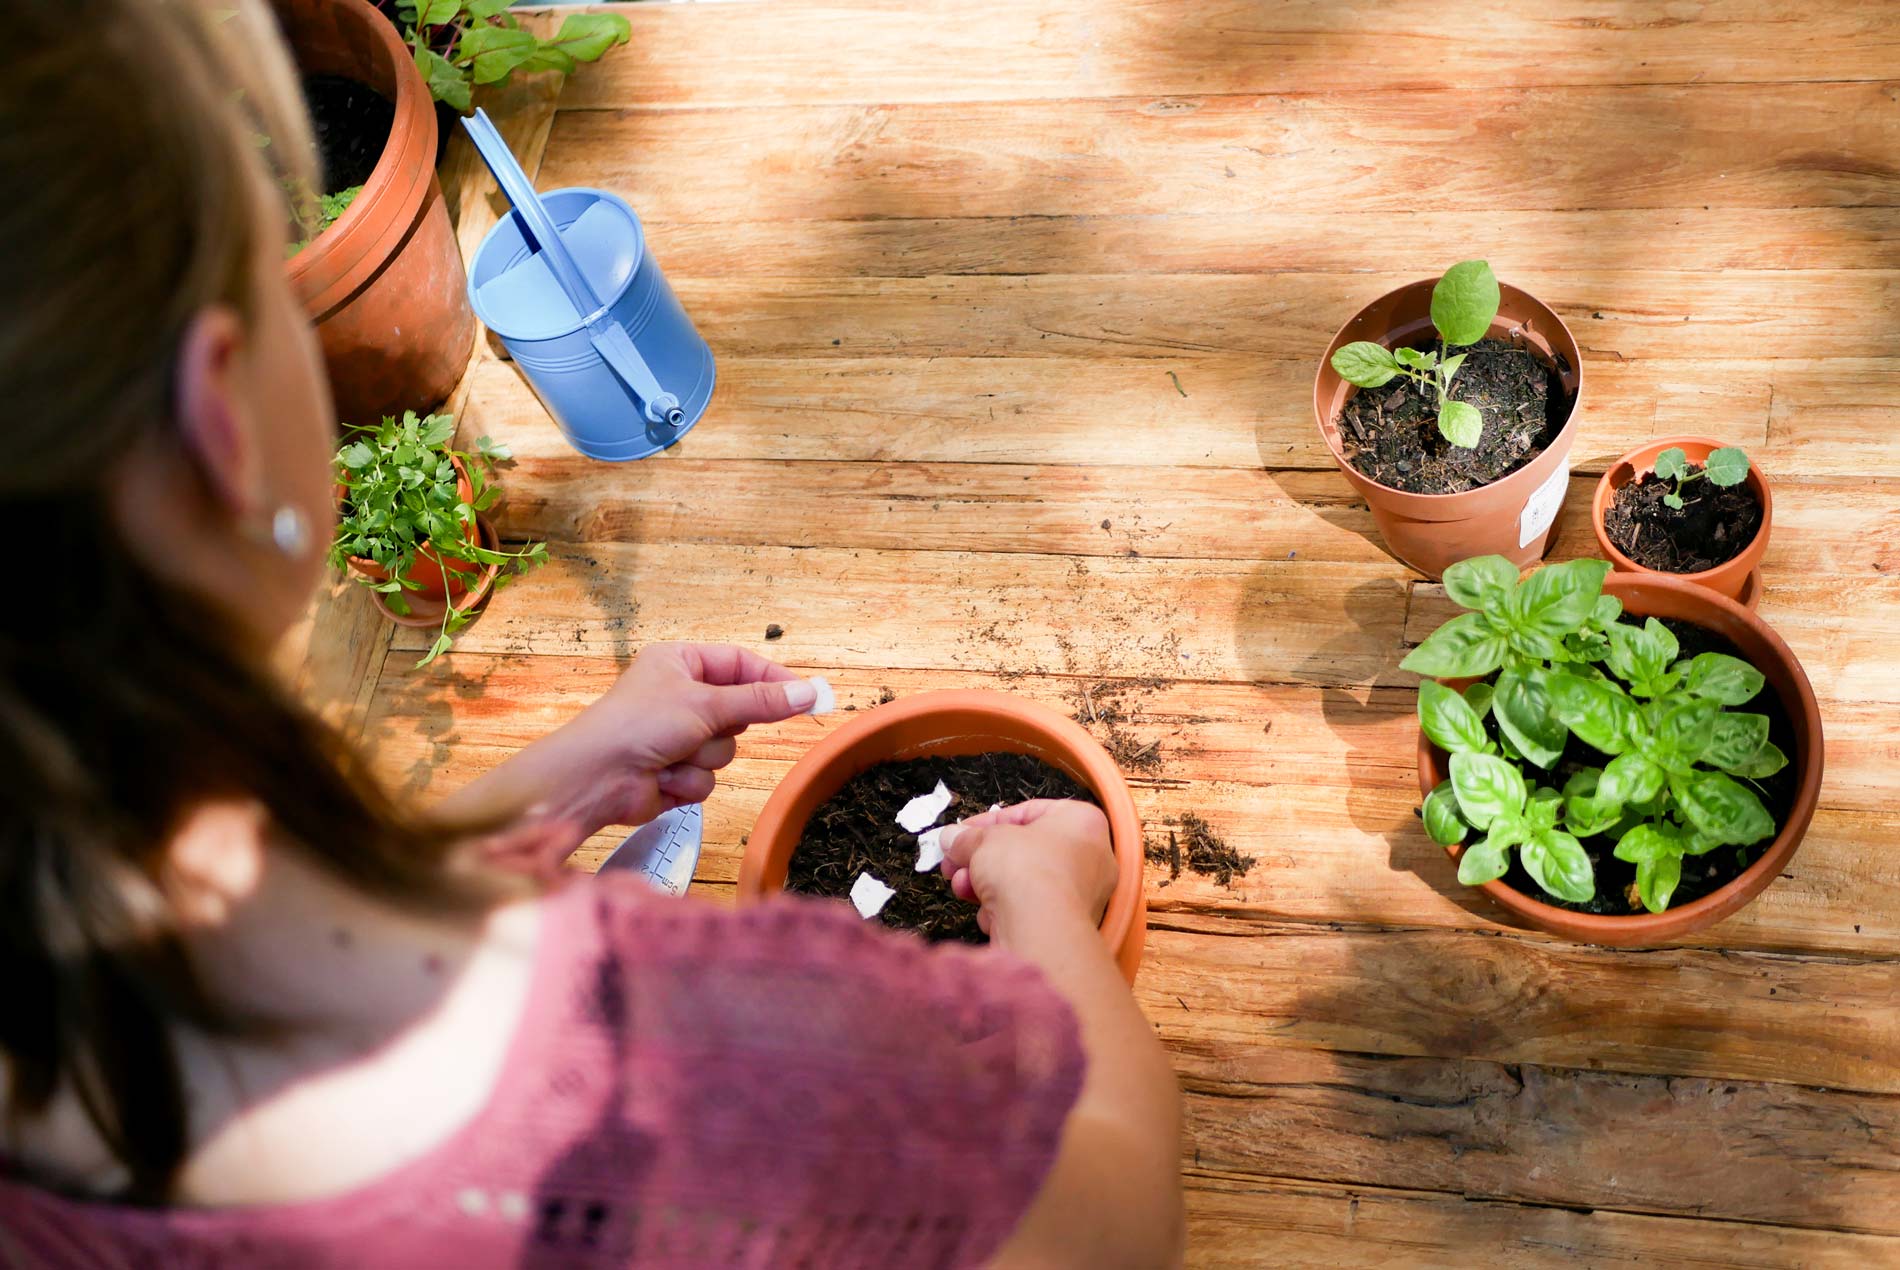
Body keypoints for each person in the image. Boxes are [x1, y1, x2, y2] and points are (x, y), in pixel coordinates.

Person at [0, 2, 1184, 1266]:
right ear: (220, 422)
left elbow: (230, 944)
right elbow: (1112, 1215)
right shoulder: (666, 1050)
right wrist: (1046, 898)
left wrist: (536, 798)